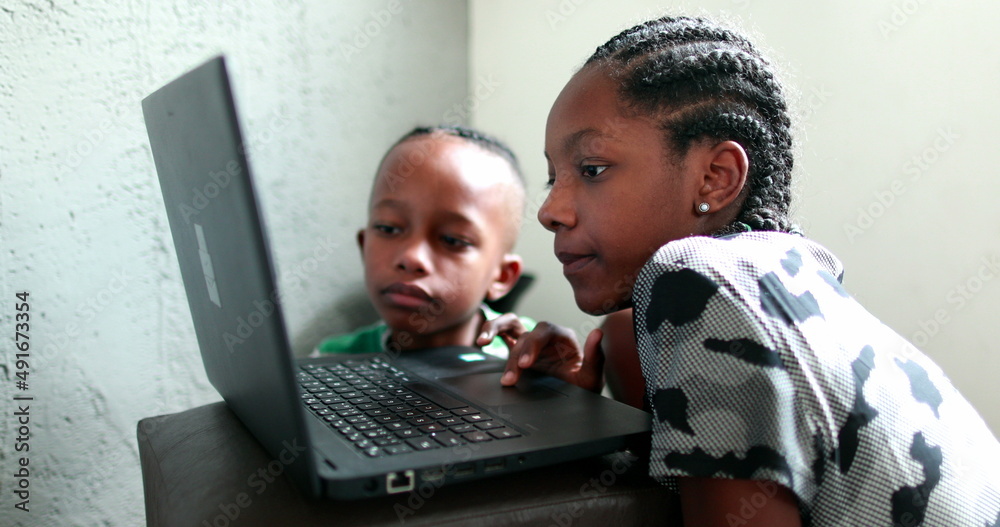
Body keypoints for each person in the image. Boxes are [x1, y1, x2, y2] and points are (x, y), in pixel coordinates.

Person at [480, 15, 1000, 526]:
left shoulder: (700, 278)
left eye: (592, 170)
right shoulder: (775, 278)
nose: (550, 211)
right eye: (553, 177)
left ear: (715, 177)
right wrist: (584, 411)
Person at [315, 125, 533, 358]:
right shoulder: (332, 359)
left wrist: (547, 373)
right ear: (363, 246)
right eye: (388, 228)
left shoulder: (535, 352)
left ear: (502, 276)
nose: (412, 258)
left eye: (452, 240)